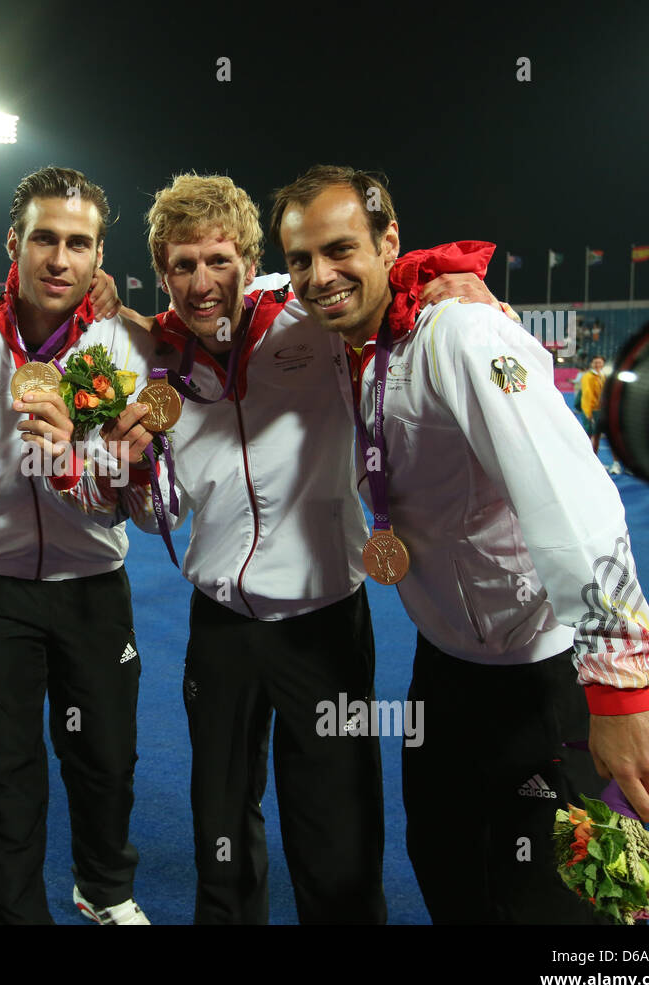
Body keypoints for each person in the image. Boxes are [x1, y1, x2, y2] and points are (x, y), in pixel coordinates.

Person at [53, 173, 503, 924]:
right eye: (183, 265)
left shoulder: (305, 317)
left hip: (324, 622)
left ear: (251, 259)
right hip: (220, 627)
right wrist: (128, 470)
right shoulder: (156, 356)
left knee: (339, 830)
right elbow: (156, 508)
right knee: (221, 829)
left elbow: (373, 276)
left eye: (219, 260)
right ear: (162, 272)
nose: (202, 283)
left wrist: (448, 277)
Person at [271, 164, 649, 923]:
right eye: (301, 260)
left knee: (562, 913)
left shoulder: (461, 330)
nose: (319, 277)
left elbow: (571, 497)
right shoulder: (346, 339)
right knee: (450, 879)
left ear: (390, 241)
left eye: (340, 250)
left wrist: (622, 689)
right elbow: (230, 290)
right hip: (444, 678)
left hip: (545, 682)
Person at [0, 166, 150, 925]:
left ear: (98, 259)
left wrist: (81, 459)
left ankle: (106, 889)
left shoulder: (122, 345)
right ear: (14, 243)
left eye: (79, 244)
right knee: (3, 767)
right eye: (46, 239)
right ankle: (14, 913)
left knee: (107, 760)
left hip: (94, 584)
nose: (60, 259)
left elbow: (135, 474)